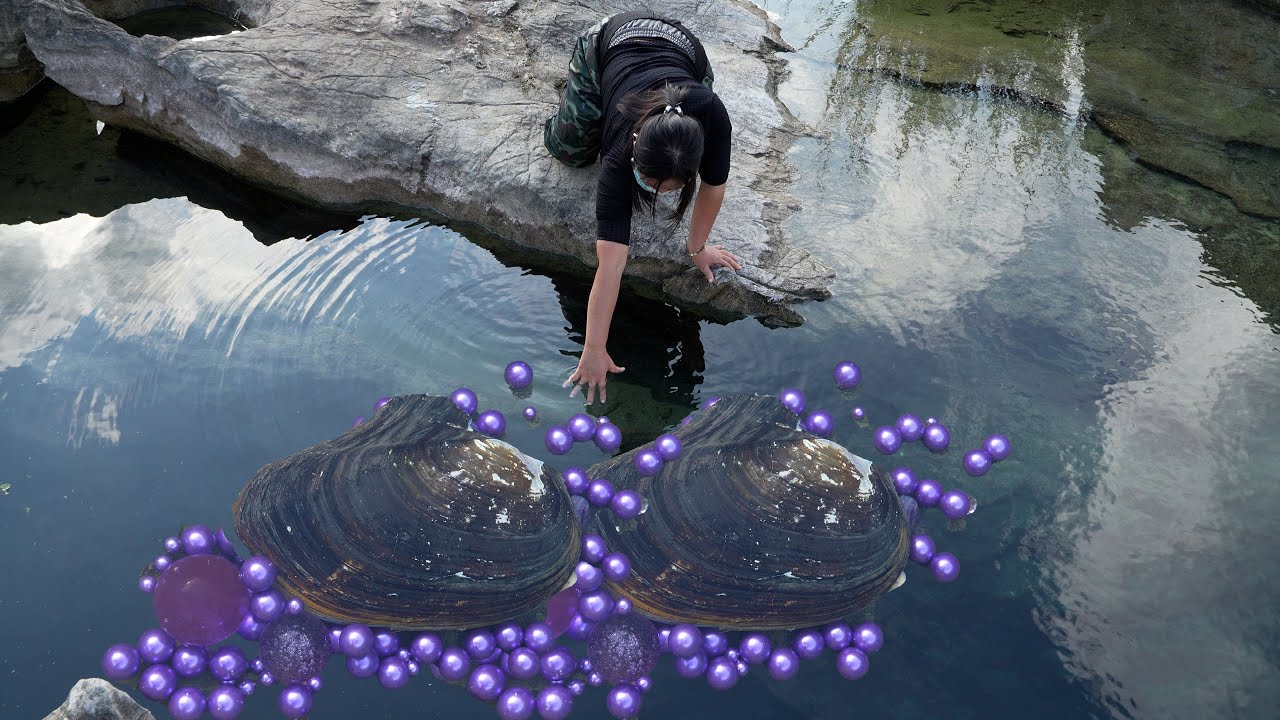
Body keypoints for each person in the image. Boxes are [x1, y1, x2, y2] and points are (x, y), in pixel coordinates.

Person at [544, 12, 743, 405]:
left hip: (683, 48)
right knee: (569, 150)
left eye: (673, 187)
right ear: (636, 155)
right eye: (652, 184)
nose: (659, 194)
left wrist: (697, 248)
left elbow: (714, 187)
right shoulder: (619, 156)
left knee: (689, 94)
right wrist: (594, 348)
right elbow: (612, 264)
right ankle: (571, 101)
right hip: (610, 42)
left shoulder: (712, 116)